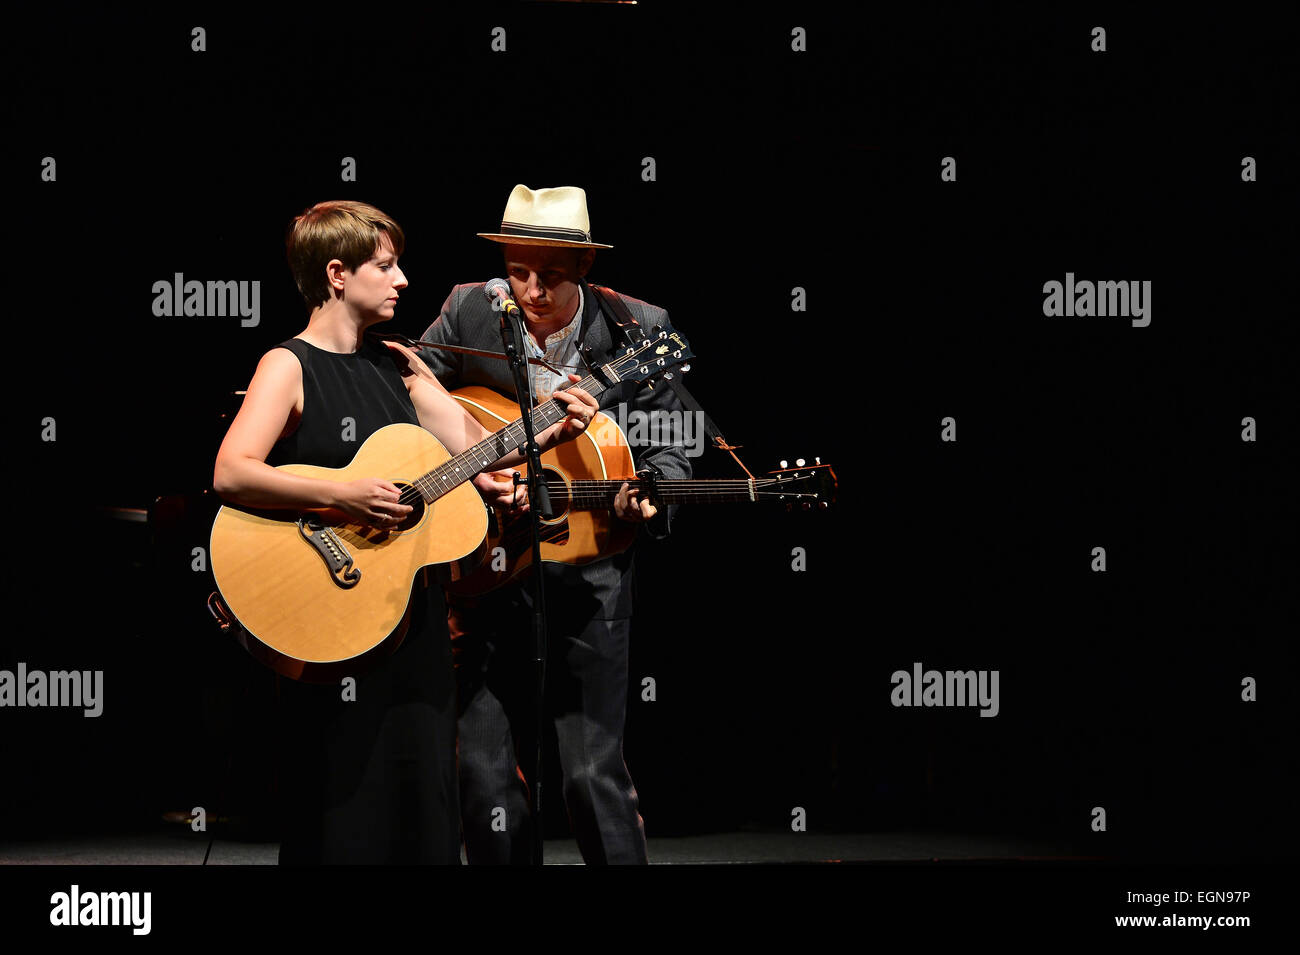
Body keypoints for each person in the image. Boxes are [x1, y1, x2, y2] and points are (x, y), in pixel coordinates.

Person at [211, 199, 598, 864]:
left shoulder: (400, 363)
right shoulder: (288, 365)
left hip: (409, 617)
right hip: (331, 610)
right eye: (385, 266)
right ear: (337, 273)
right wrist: (344, 493)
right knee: (345, 802)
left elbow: (480, 446)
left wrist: (552, 424)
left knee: (422, 798)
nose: (403, 280)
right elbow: (231, 471)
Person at [417, 184, 692, 864]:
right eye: (518, 271)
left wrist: (652, 491)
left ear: (585, 271)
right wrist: (474, 475)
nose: (532, 291)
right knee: (484, 780)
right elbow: (405, 404)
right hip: (485, 567)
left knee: (590, 774)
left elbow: (673, 440)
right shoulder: (467, 308)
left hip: (591, 568)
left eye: (552, 276)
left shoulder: (638, 329)